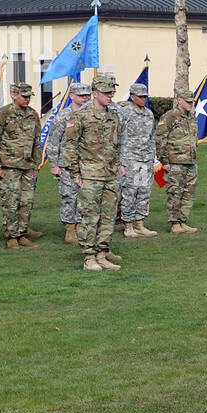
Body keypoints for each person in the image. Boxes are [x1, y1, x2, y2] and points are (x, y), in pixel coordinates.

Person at [62, 73, 123, 271]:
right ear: (95, 93)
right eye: (106, 92)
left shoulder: (113, 116)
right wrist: (75, 174)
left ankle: (102, 252)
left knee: (108, 216)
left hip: (109, 174)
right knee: (90, 217)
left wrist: (118, 166)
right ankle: (89, 256)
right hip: (90, 175)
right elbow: (69, 145)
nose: (110, 95)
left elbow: (117, 144)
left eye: (112, 92)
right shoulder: (81, 117)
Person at [0, 81, 43, 248]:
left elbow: (36, 142)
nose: (26, 100)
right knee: (11, 201)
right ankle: (11, 236)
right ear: (13, 95)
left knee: (26, 201)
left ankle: (22, 233)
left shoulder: (32, 115)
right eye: (23, 96)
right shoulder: (3, 114)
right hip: (8, 166)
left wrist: (35, 165)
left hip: (28, 166)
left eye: (28, 97)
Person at [46, 82, 91, 245]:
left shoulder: (92, 114)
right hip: (67, 164)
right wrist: (53, 165)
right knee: (69, 196)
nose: (86, 98)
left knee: (85, 196)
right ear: (72, 96)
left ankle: (80, 225)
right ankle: (70, 228)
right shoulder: (63, 116)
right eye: (82, 95)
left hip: (87, 164)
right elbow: (54, 142)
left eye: (88, 95)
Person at [115, 81, 158, 238]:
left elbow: (151, 136)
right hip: (130, 159)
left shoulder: (148, 114)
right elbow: (119, 136)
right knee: (129, 193)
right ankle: (127, 225)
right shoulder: (125, 113)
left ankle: (140, 223)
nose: (143, 99)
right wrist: (121, 161)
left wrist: (153, 156)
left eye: (145, 96)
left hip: (145, 159)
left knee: (143, 192)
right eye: (140, 97)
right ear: (132, 97)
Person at [156, 87, 199, 234]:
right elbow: (161, 139)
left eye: (191, 101)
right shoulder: (169, 117)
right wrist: (164, 161)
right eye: (187, 101)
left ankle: (183, 221)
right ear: (179, 100)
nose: (190, 104)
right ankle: (175, 223)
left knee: (188, 193)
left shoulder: (192, 118)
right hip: (175, 162)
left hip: (191, 161)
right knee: (175, 192)